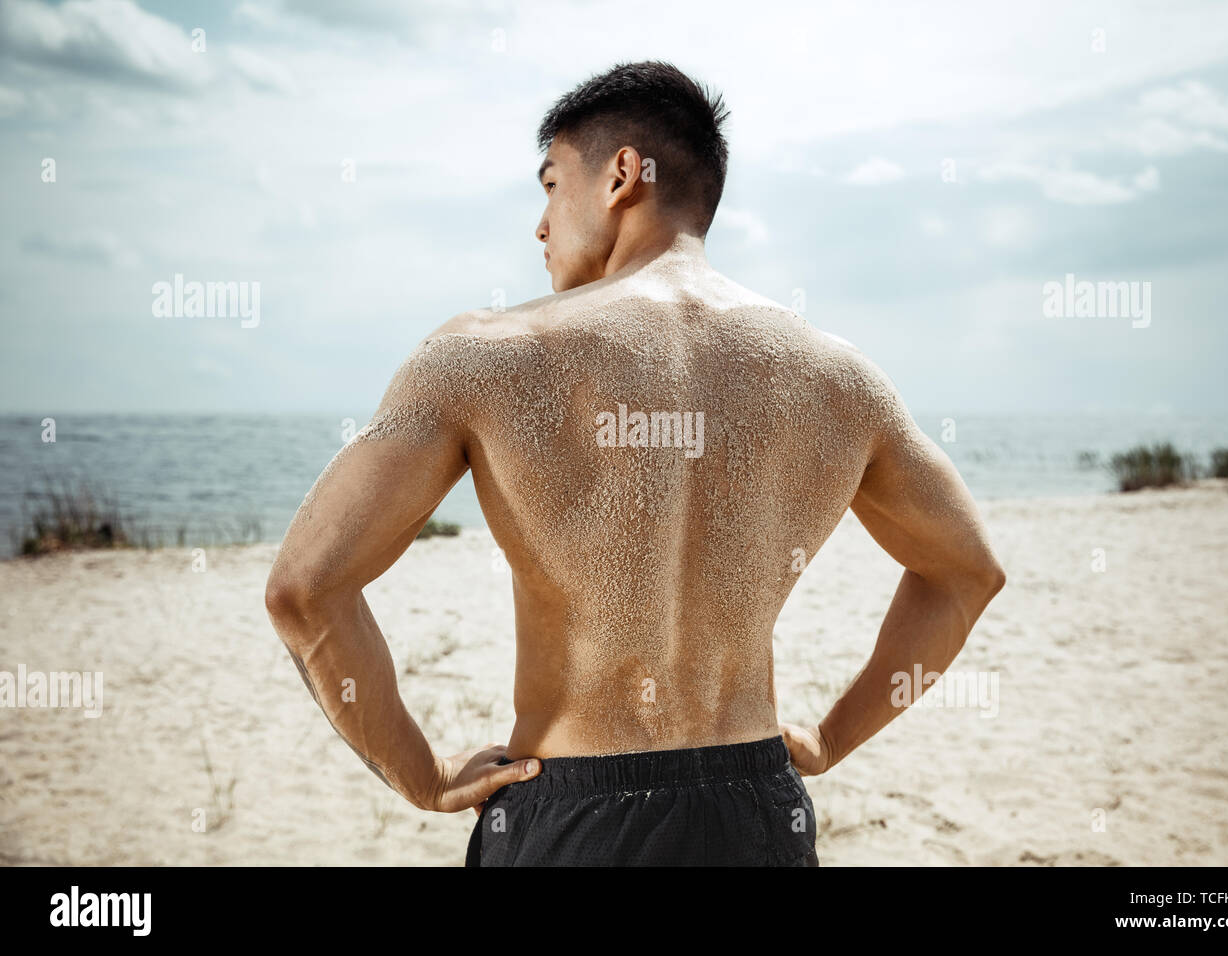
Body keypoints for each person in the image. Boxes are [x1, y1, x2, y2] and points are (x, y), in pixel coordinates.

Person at [264, 60, 1005, 867]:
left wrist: (423, 774)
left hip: (572, 808)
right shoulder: (840, 378)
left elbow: (305, 589)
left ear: (621, 176)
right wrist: (830, 738)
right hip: (755, 810)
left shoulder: (484, 356)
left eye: (550, 185)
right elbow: (968, 572)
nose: (539, 226)